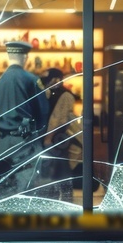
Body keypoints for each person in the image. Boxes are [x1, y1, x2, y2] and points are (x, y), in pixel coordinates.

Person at [0, 41, 50, 200]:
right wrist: (40, 137)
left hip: (3, 141)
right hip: (25, 141)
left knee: (4, 186)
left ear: (9, 56)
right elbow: (42, 111)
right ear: (25, 57)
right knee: (25, 187)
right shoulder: (31, 79)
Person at [39, 68, 82, 202]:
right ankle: (58, 201)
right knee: (55, 173)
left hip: (58, 140)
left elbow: (57, 119)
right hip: (56, 139)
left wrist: (48, 139)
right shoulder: (53, 93)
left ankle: (64, 202)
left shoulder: (64, 95)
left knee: (60, 172)